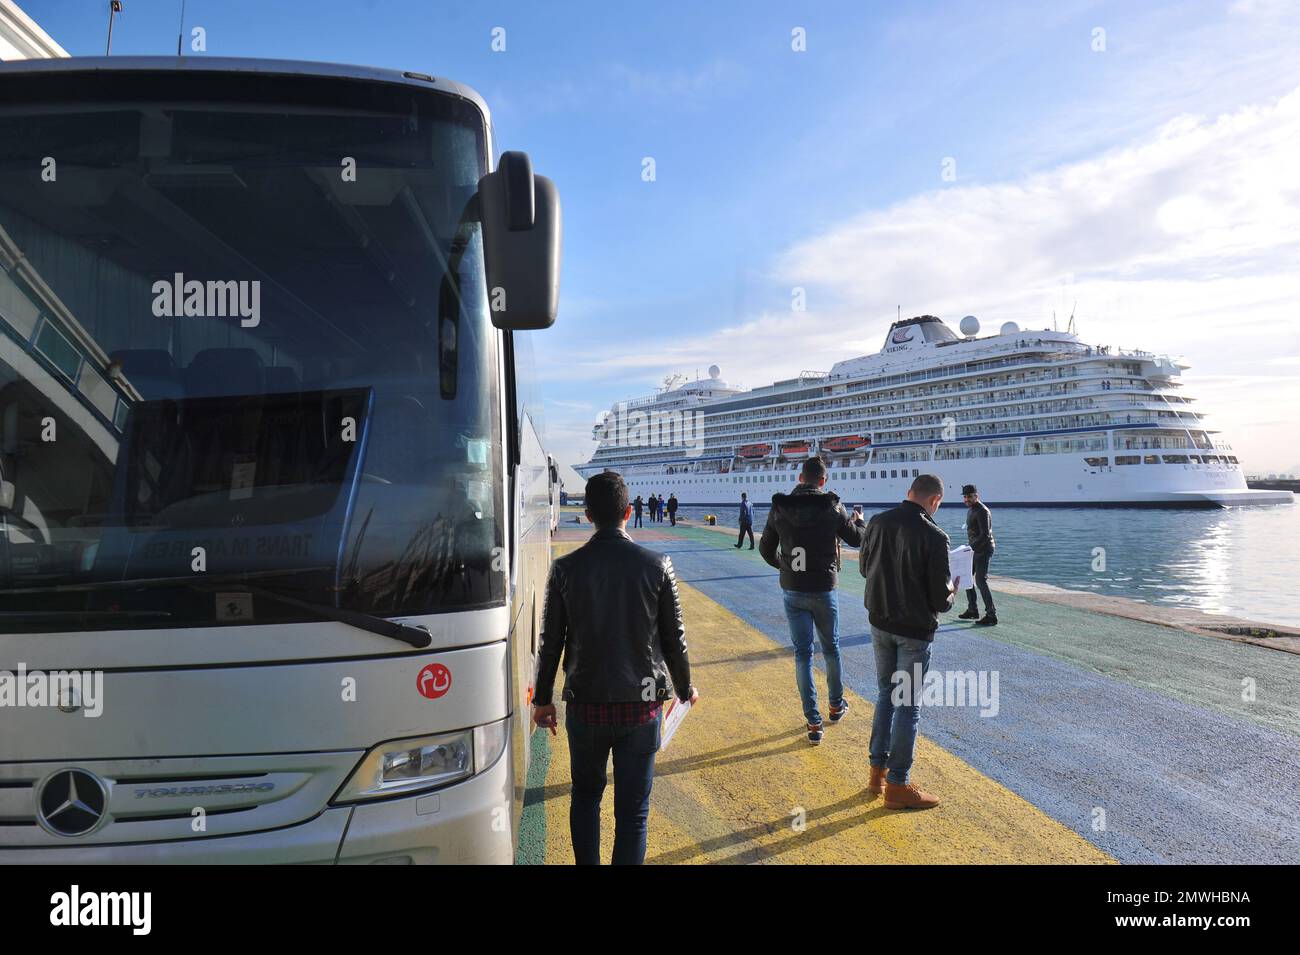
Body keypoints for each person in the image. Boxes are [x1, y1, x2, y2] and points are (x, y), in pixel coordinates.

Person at [533, 472, 697, 865]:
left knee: (586, 798)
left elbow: (550, 642)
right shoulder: (658, 565)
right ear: (628, 511)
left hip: (586, 705)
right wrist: (684, 686)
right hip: (641, 709)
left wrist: (543, 700)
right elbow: (675, 638)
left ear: (588, 515)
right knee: (633, 814)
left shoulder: (565, 569)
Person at [859, 474, 956, 810]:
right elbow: (940, 600)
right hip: (913, 631)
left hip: (879, 623)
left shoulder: (877, 522)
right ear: (935, 501)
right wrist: (953, 592)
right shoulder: (935, 536)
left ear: (909, 492)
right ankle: (898, 784)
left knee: (886, 695)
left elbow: (863, 569)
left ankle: (877, 774)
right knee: (908, 706)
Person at [759, 456, 866, 745]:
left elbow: (765, 548)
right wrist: (860, 521)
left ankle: (813, 722)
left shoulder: (780, 506)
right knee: (831, 649)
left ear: (799, 478)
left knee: (802, 654)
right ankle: (835, 705)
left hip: (793, 590)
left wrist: (785, 566)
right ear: (822, 481)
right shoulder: (832, 505)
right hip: (823, 588)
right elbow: (857, 539)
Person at [957, 484, 997, 626]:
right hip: (975, 549)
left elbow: (985, 535)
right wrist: (970, 548)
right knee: (967, 577)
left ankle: (991, 615)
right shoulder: (971, 510)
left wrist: (970, 548)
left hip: (984, 549)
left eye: (969, 496)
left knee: (980, 580)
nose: (966, 499)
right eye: (965, 496)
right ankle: (973, 609)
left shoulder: (982, 511)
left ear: (976, 496)